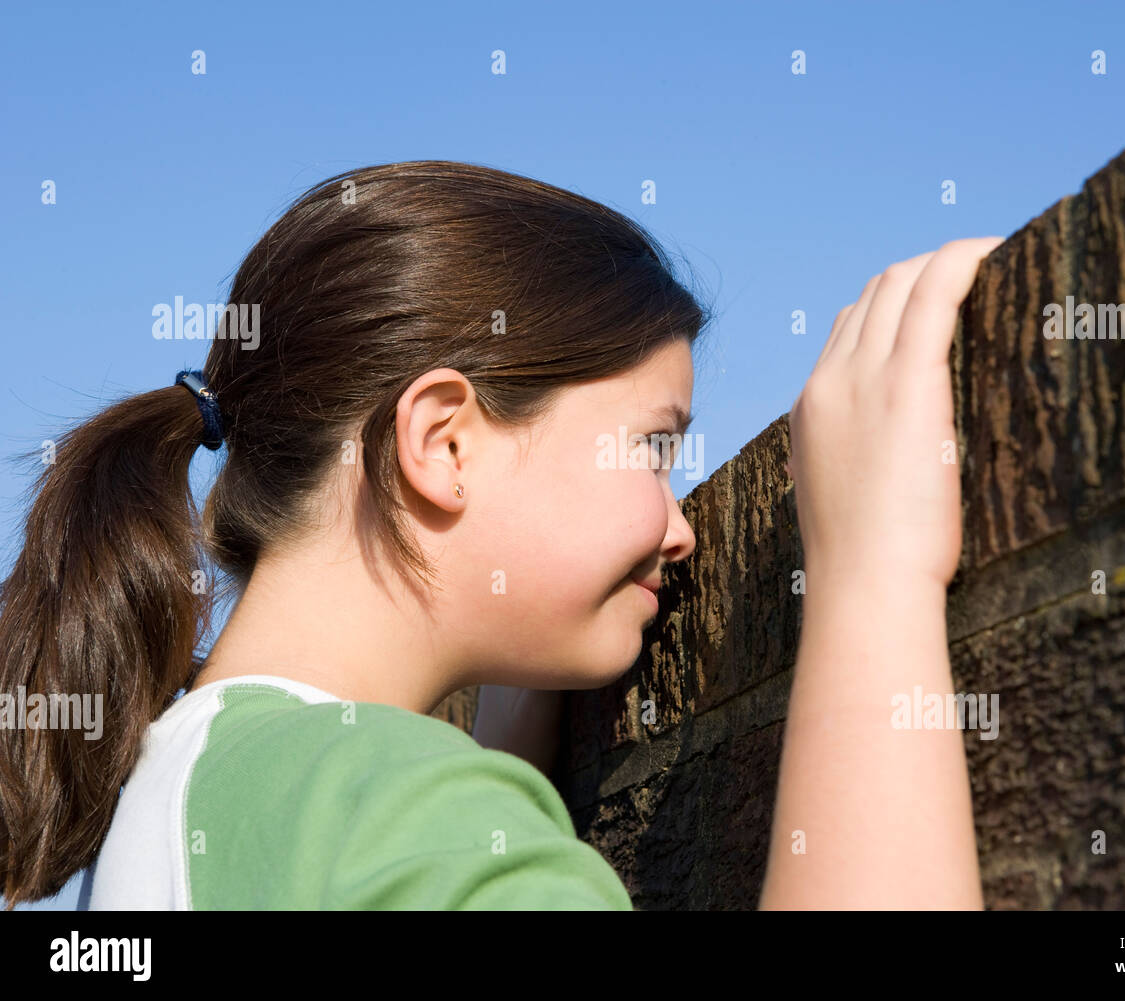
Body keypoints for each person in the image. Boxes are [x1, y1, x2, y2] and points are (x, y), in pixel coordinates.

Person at [0, 157, 999, 908]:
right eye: (652, 449)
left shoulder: (199, 777)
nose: (680, 526)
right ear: (444, 443)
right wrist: (871, 575)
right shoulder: (398, 812)